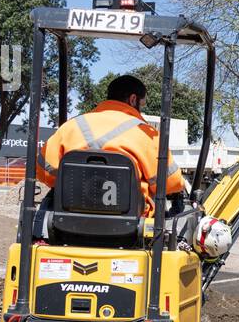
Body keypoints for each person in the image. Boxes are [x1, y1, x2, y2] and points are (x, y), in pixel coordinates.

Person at [36, 74, 185, 216]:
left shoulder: (71, 126)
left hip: (68, 219)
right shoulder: (147, 134)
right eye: (142, 104)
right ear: (133, 99)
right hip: (132, 227)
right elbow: (170, 183)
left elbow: (44, 173)